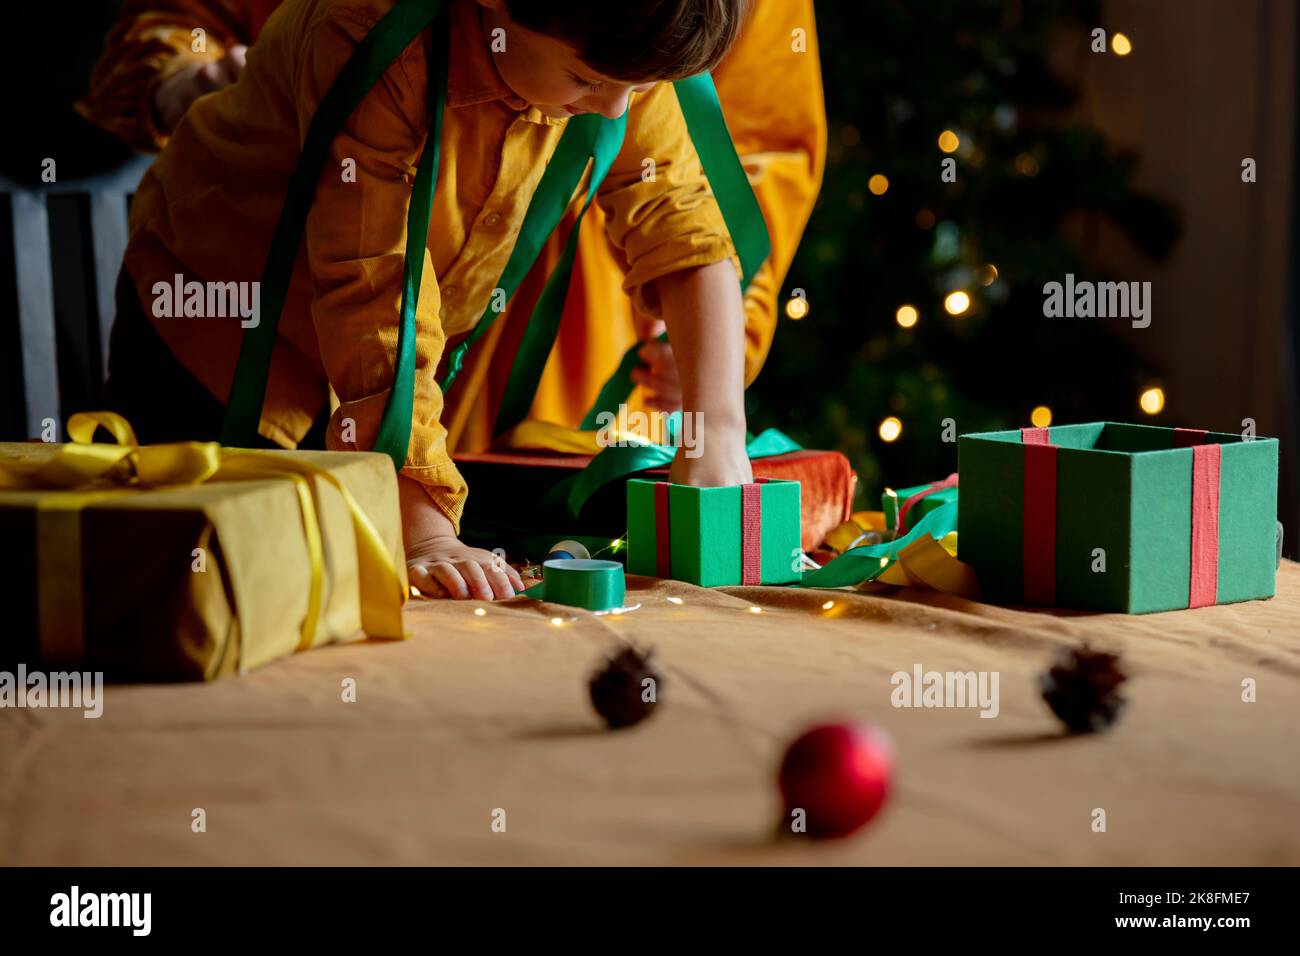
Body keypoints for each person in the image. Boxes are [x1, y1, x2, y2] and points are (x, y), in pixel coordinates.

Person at [102, 0, 754, 602]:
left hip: (361, 382)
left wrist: (718, 429)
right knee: (208, 589)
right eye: (586, 81)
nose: (617, 110)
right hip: (214, 331)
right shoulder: (370, 34)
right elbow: (373, 284)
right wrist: (427, 533)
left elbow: (680, 221)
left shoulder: (612, 45)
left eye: (638, 91)